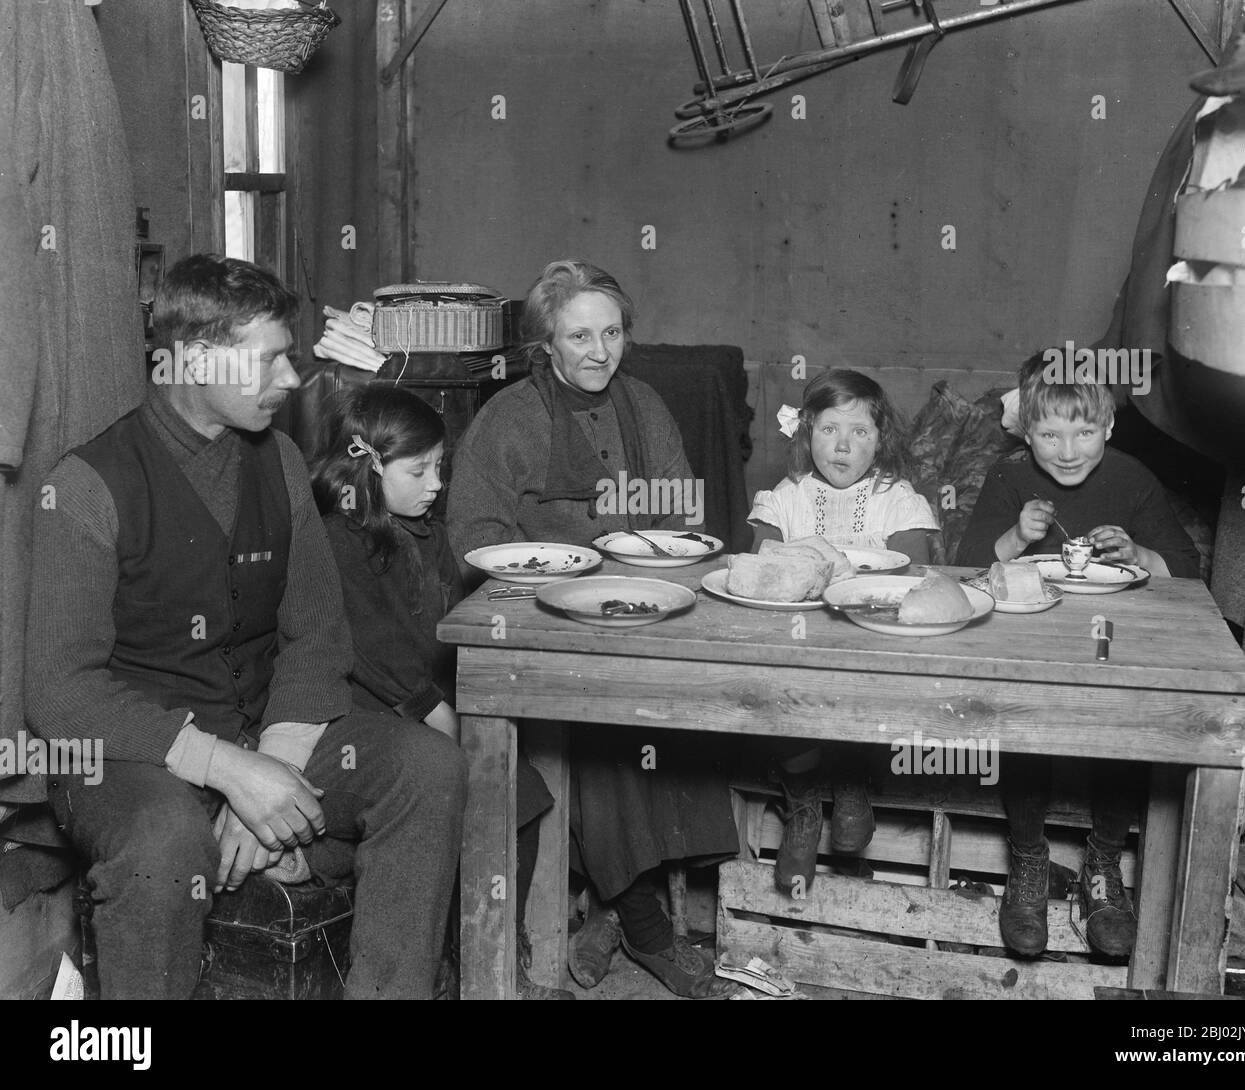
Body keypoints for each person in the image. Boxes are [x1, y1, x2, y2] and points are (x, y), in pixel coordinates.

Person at [25, 255, 466, 999]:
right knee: (163, 843)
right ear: (193, 360)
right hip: (132, 759)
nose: (292, 380)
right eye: (269, 361)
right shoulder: (85, 486)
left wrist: (277, 764)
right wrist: (228, 771)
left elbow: (318, 634)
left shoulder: (282, 460)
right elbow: (61, 696)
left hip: (269, 737)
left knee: (429, 767)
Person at [446, 259, 740, 998]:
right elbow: (474, 536)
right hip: (539, 627)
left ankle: (608, 904)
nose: (598, 351)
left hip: (640, 611)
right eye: (579, 335)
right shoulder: (508, 418)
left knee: (680, 720)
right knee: (605, 730)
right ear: (547, 342)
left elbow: (680, 518)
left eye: (612, 332)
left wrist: (659, 565)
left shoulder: (644, 405)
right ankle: (644, 926)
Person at [310, 385, 571, 1000]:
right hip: (371, 716)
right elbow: (378, 654)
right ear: (368, 466)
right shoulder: (336, 538)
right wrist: (453, 725)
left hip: (427, 700)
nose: (435, 483)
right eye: (419, 469)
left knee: (523, 796)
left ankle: (494, 958)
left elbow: (447, 618)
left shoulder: (422, 529)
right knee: (480, 785)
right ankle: (468, 970)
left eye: (440, 466)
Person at [955, 352, 1200, 958]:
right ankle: (1030, 860)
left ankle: (1103, 864)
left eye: (1084, 432)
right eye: (1050, 434)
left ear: (1108, 428)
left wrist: (1140, 552)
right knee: (1023, 718)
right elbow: (961, 564)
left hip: (1114, 642)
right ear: (1025, 430)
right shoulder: (1009, 476)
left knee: (1124, 719)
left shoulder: (1132, 478)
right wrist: (1017, 536)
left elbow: (1189, 574)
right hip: (1030, 646)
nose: (1068, 451)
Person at [749, 369, 937, 894]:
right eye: (830, 430)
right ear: (807, 434)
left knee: (867, 682)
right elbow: (761, 562)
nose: (843, 446)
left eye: (860, 433)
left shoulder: (895, 499)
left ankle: (855, 777)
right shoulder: (786, 498)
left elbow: (916, 575)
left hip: (870, 639)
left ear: (881, 442)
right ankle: (804, 804)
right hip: (797, 639)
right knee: (786, 687)